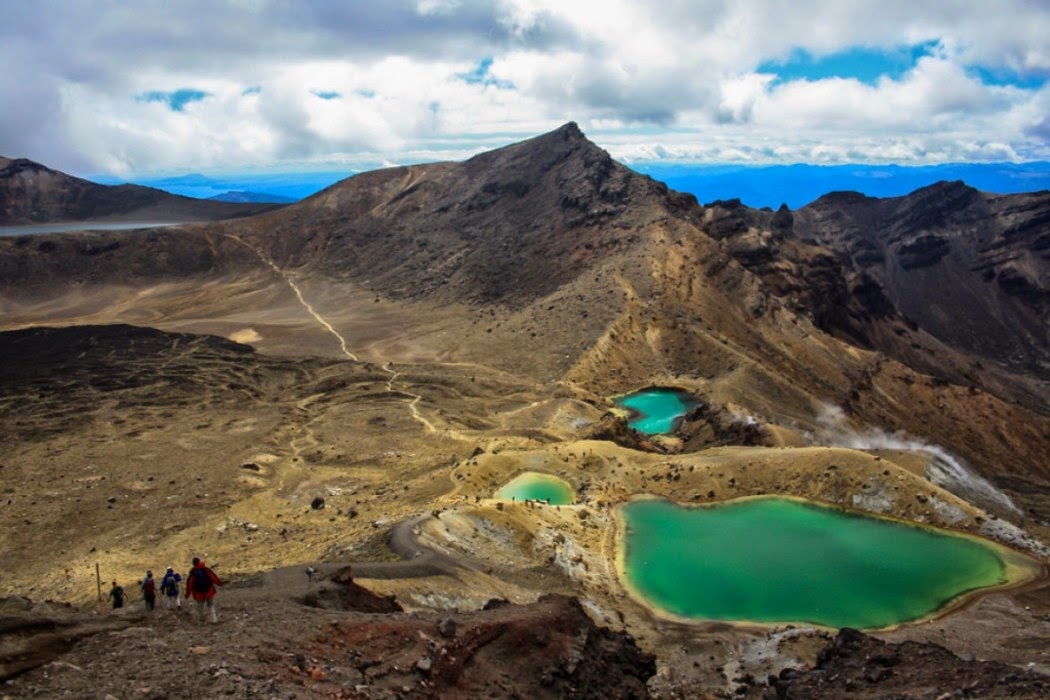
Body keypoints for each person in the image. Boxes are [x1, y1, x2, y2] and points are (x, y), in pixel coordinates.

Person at [185, 556, 223, 624]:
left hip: (198, 593)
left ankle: (202, 621)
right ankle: (214, 620)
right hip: (209, 590)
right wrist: (220, 583)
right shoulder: (205, 570)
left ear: (193, 564)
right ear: (199, 562)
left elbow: (189, 585)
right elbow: (213, 577)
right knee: (210, 605)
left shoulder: (193, 573)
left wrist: (187, 595)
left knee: (200, 607)